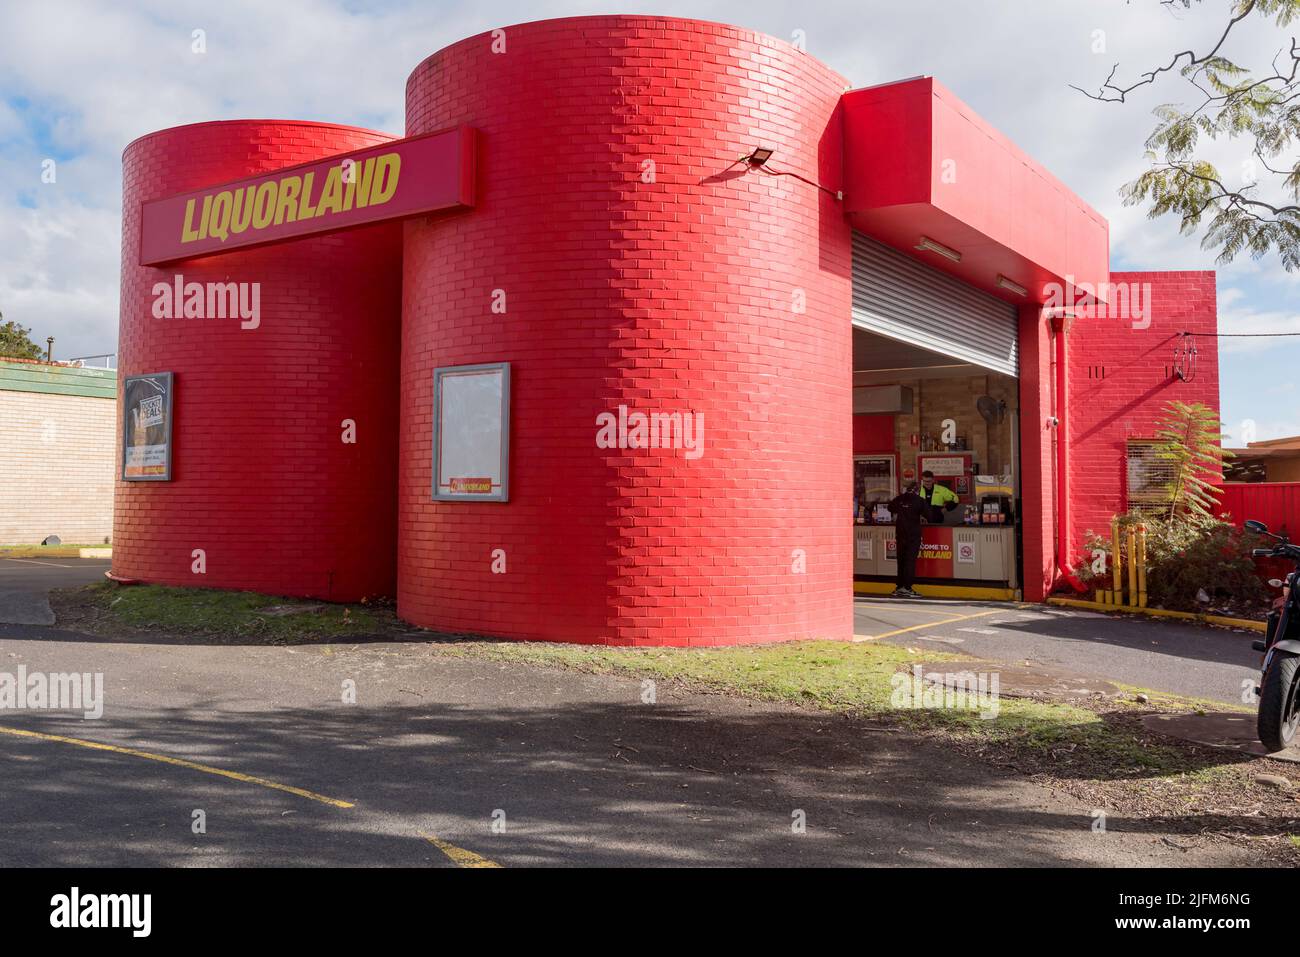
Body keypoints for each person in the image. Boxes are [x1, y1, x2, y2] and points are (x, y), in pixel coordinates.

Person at [888, 481, 926, 598]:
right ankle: (907, 588)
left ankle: (899, 587)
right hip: (913, 536)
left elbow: (890, 508)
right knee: (910, 561)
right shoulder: (920, 501)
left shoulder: (899, 498)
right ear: (917, 490)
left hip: (900, 534)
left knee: (901, 561)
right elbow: (930, 515)